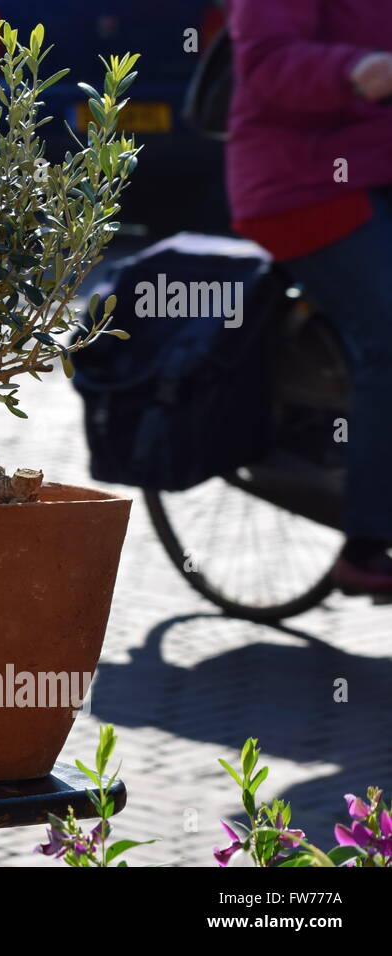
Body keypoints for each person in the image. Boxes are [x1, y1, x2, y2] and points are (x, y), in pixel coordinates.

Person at [227, 0, 392, 595]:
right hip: (306, 184)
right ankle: (367, 546)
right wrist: (356, 69)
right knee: (387, 340)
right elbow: (267, 63)